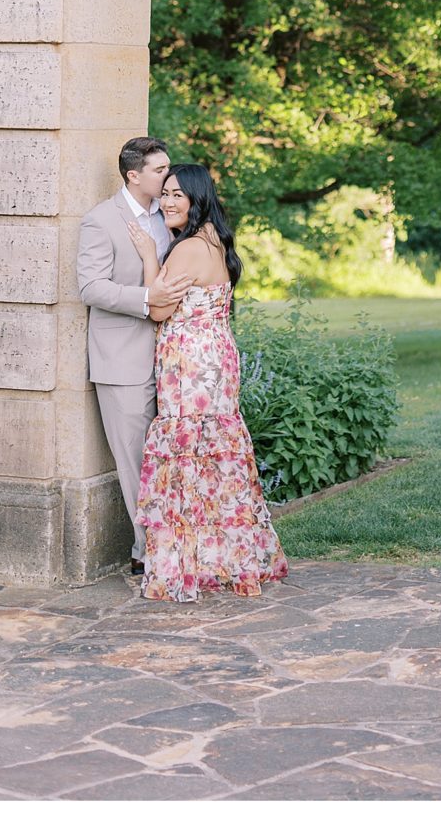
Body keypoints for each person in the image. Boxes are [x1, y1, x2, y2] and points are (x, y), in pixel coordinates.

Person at [128, 163, 288, 602]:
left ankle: (187, 562)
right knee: (217, 454)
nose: (168, 202)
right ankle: (228, 557)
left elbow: (159, 309)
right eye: (165, 193)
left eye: (178, 194)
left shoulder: (185, 250)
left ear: (197, 198)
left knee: (188, 454)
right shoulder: (216, 241)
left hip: (190, 363)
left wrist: (147, 256)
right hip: (218, 354)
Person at [77, 137, 193, 573]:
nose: (169, 174)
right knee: (136, 461)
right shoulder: (101, 221)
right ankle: (147, 554)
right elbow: (90, 286)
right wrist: (148, 298)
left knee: (169, 456)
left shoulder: (169, 217)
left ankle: (176, 541)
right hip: (122, 360)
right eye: (160, 169)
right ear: (134, 175)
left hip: (172, 358)